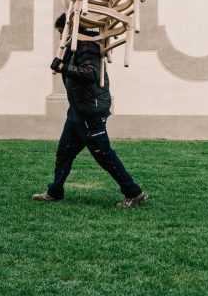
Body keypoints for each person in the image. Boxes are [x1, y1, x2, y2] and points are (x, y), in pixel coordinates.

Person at [32, 13, 148, 209]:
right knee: (64, 153)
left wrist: (63, 67)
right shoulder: (75, 47)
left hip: (89, 112)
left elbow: (92, 73)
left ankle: (134, 193)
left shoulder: (87, 45)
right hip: (77, 112)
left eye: (61, 32)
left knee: (104, 155)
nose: (61, 37)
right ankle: (55, 192)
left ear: (70, 30)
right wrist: (65, 65)